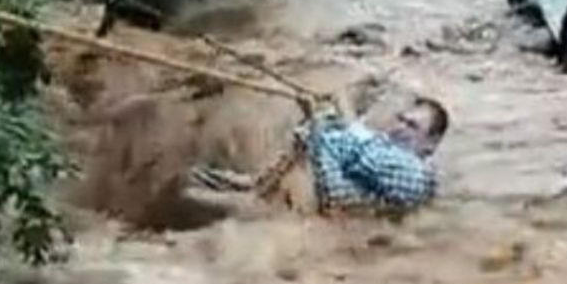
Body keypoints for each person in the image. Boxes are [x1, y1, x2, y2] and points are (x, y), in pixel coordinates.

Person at [190, 96, 450, 216]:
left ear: (430, 144)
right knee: (190, 182)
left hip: (295, 204)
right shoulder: (381, 143)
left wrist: (338, 111)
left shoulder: (415, 172)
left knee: (185, 197)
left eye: (412, 126)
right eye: (402, 120)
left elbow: (361, 154)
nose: (400, 127)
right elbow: (354, 145)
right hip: (280, 182)